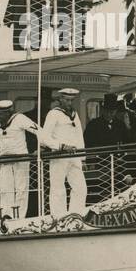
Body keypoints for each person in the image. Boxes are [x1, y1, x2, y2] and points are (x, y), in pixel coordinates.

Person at [0, 100, 39, 220]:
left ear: (8, 112)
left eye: (0, 114)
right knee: (5, 188)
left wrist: (40, 148)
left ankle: (19, 217)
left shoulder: (20, 118)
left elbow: (37, 130)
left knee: (21, 188)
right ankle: (7, 216)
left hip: (21, 159)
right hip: (4, 159)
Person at [42, 88, 86, 217]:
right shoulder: (53, 114)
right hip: (59, 156)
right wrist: (60, 146)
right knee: (58, 189)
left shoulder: (74, 114)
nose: (69, 103)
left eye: (71, 100)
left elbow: (79, 135)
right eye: (67, 100)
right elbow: (45, 137)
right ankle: (58, 218)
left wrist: (82, 158)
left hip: (74, 156)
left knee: (80, 187)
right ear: (60, 99)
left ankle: (75, 215)